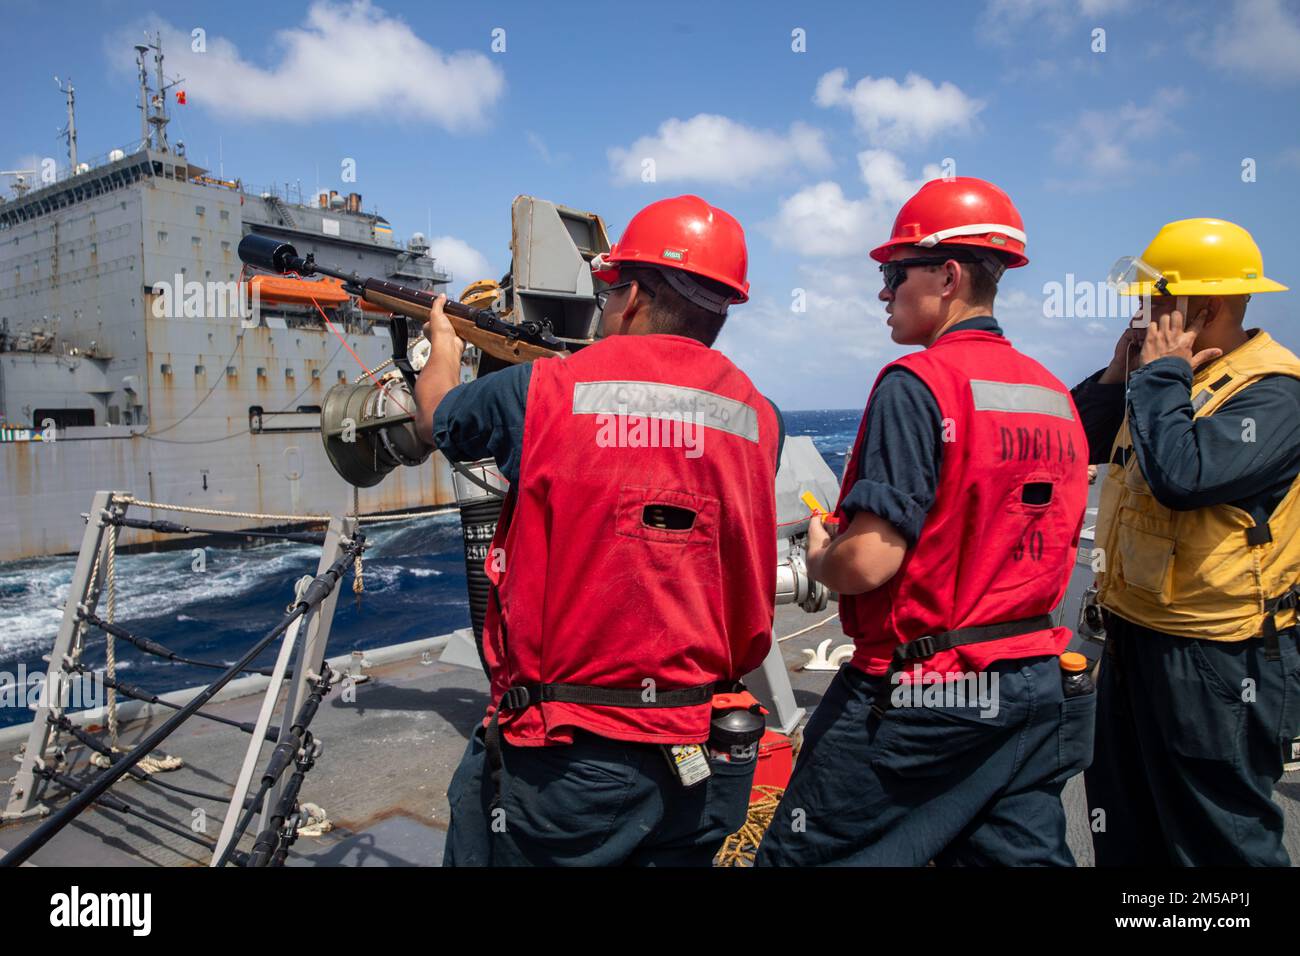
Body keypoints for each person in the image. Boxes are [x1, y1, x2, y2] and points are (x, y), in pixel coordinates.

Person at [413, 195, 785, 866]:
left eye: (608, 287)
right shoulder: (762, 417)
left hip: (571, 763)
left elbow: (438, 422)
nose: (605, 302)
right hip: (707, 744)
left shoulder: (541, 391)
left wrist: (441, 346)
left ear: (634, 293)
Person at [756, 177, 1092, 866]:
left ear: (947, 275)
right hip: (1033, 681)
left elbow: (870, 561)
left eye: (892, 272)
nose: (883, 291)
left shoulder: (919, 385)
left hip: (927, 691)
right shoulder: (1053, 394)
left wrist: (822, 557)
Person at [1073, 218, 1300, 866]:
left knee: (1215, 838)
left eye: (1156, 299)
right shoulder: (1166, 381)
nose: (1144, 312)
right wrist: (1122, 371)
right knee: (1124, 820)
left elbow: (1185, 476)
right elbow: (1078, 444)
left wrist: (1160, 376)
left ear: (1204, 304)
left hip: (1216, 659)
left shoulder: (1275, 393)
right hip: (1133, 634)